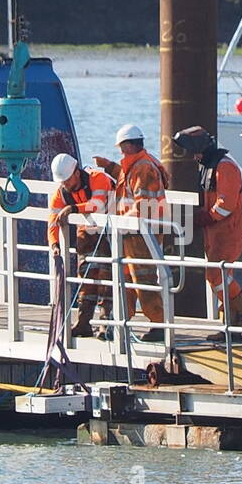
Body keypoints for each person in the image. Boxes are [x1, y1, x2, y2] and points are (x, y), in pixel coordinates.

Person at [172, 125, 242, 332]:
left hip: (228, 231)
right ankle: (230, 324)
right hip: (216, 232)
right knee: (217, 275)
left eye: (195, 152)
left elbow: (226, 204)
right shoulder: (210, 165)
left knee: (216, 275)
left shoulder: (225, 167)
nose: (194, 157)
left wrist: (205, 217)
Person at [93, 123, 169, 343]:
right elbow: (126, 180)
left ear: (128, 146)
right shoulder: (137, 165)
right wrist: (108, 166)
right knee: (125, 277)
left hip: (143, 234)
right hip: (132, 233)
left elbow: (142, 204)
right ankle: (121, 321)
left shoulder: (144, 168)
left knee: (142, 279)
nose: (119, 151)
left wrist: (120, 221)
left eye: (121, 147)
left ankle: (160, 323)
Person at [47, 153, 115, 338]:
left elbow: (98, 205)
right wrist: (54, 244)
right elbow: (53, 221)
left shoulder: (98, 179)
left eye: (67, 180)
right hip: (87, 231)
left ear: (77, 173)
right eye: (62, 181)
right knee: (86, 275)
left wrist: (73, 208)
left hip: (112, 232)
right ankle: (83, 323)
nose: (65, 184)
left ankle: (106, 324)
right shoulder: (60, 193)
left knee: (107, 277)